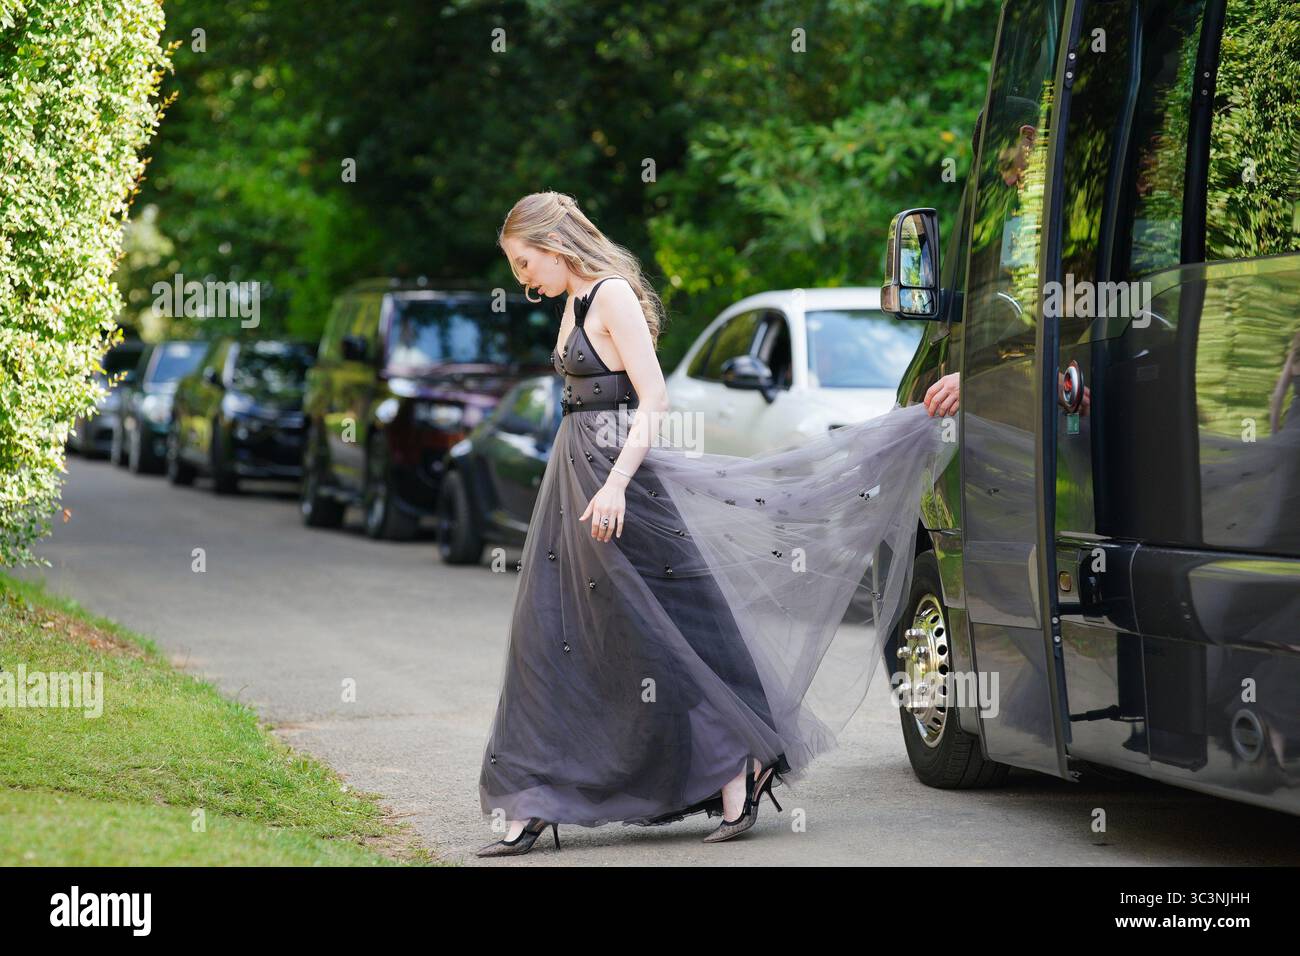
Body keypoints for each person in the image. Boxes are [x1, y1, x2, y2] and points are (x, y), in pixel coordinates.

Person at [477, 191, 955, 857]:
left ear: (554, 247)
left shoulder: (611, 295)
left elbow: (654, 398)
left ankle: (740, 765)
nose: (522, 279)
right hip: (576, 477)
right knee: (555, 630)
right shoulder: (574, 300)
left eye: (524, 263)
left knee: (664, 631)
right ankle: (535, 797)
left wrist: (615, 484)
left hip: (618, 480)